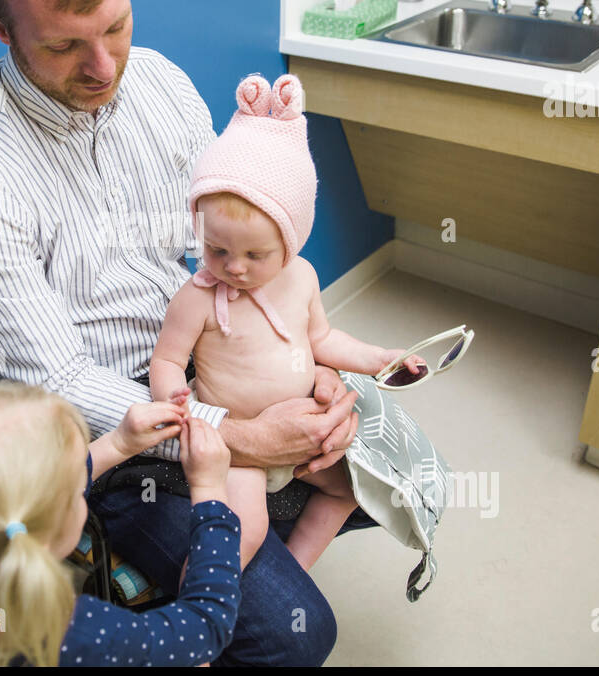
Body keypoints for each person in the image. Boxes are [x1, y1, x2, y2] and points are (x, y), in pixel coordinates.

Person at [0, 0, 373, 666]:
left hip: (208, 358)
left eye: (117, 26)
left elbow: (230, 254)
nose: (103, 66)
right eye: (64, 45)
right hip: (115, 434)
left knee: (377, 454)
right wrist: (236, 438)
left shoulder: (158, 84)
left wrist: (305, 358)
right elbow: (58, 378)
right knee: (299, 637)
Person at [150, 73, 427, 573]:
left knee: (349, 489)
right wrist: (174, 397)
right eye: (217, 250)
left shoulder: (301, 277)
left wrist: (382, 359)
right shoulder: (196, 297)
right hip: (240, 444)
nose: (233, 267)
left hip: (302, 430)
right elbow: (168, 357)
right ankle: (199, 615)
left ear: (291, 241)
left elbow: (322, 339)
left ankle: (297, 568)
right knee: (245, 527)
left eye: (256, 254)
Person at [0, 376, 240, 666]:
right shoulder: (70, 633)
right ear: (43, 533)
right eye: (73, 486)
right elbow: (205, 625)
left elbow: (26, 494)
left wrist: (118, 443)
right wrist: (209, 490)